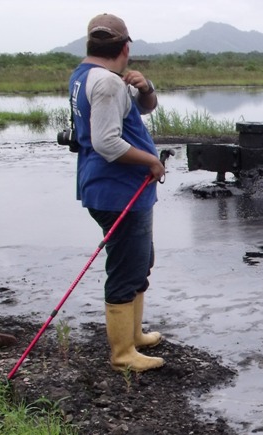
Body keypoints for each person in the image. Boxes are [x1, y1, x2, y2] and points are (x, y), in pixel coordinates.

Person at [69, 13, 166, 371]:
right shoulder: (107, 83)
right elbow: (107, 143)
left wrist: (146, 87)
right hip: (118, 190)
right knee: (126, 267)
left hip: (119, 188)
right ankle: (123, 354)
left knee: (140, 260)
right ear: (125, 48)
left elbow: (143, 107)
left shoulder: (87, 76)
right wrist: (152, 161)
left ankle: (134, 335)